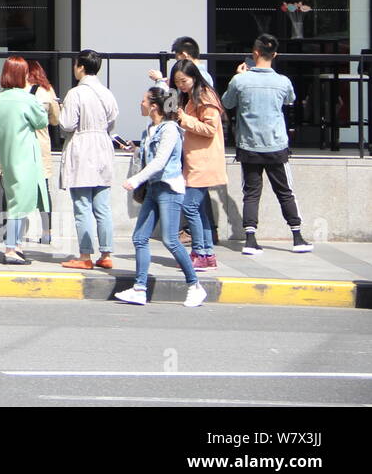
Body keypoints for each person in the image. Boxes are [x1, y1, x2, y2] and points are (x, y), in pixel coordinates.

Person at [114, 87, 208, 308]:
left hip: (169, 189)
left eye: (144, 100)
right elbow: (150, 158)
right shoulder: (150, 129)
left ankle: (195, 286)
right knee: (139, 238)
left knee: (170, 240)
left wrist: (135, 180)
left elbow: (160, 162)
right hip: (155, 189)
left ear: (154, 106)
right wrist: (135, 151)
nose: (141, 103)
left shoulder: (170, 130)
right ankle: (139, 289)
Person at [221, 34, 313, 255]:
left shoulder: (240, 81)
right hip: (276, 145)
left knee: (251, 193)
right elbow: (289, 99)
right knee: (285, 192)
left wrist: (238, 75)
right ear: (275, 55)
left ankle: (250, 240)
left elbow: (227, 103)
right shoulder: (282, 81)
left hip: (249, 146)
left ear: (254, 53)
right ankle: (297, 237)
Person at [57, 49, 119, 270]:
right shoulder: (106, 92)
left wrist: (60, 108)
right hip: (103, 145)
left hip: (82, 147)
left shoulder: (76, 93)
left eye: (75, 65)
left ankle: (85, 256)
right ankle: (107, 253)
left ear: (81, 67)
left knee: (82, 205)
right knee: (102, 206)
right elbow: (112, 121)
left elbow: (66, 124)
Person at [0, 56, 49, 265]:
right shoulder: (27, 99)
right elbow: (42, 121)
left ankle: (17, 245)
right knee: (19, 205)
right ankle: (11, 248)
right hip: (25, 157)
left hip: (7, 156)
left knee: (15, 200)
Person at [169, 58, 229, 271]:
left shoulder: (204, 95)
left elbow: (210, 129)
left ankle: (201, 252)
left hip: (204, 161)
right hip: (195, 161)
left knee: (190, 206)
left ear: (194, 76)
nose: (180, 86)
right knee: (199, 208)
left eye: (183, 81)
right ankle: (206, 253)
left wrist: (183, 119)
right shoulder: (190, 96)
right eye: (177, 82)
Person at [25, 60, 60, 247]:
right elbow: (56, 119)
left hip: (21, 146)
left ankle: (11, 231)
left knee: (15, 188)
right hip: (41, 145)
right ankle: (47, 232)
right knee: (43, 191)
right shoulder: (48, 91)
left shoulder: (17, 90)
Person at [148, 35, 214, 90]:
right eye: (177, 82)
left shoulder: (197, 76)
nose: (178, 65)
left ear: (184, 55)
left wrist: (160, 81)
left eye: (183, 81)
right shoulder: (205, 76)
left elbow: (172, 101)